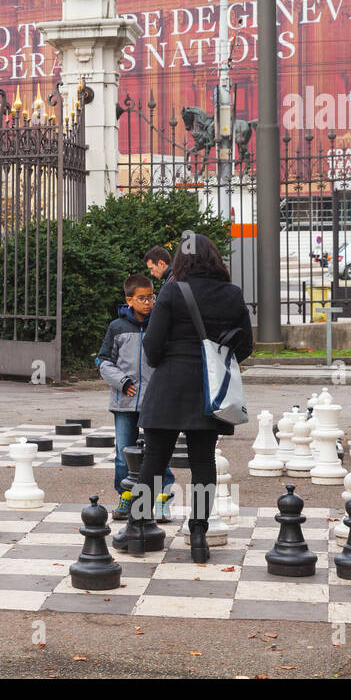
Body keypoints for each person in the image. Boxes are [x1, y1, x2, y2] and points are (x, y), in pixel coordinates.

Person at [131, 234, 253, 563]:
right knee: (203, 464)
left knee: (154, 461)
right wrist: (217, 360)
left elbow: (152, 348)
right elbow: (246, 346)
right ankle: (198, 535)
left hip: (170, 387)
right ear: (214, 258)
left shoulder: (173, 289)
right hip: (210, 393)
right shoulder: (232, 294)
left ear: (182, 260)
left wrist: (169, 359)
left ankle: (138, 529)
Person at [96, 274, 174, 521]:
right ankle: (126, 495)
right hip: (125, 402)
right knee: (123, 452)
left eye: (151, 297)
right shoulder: (116, 327)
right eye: (142, 298)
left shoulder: (161, 324)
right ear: (129, 300)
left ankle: (162, 498)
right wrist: (123, 382)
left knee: (159, 451)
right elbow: (103, 361)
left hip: (155, 401)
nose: (148, 302)